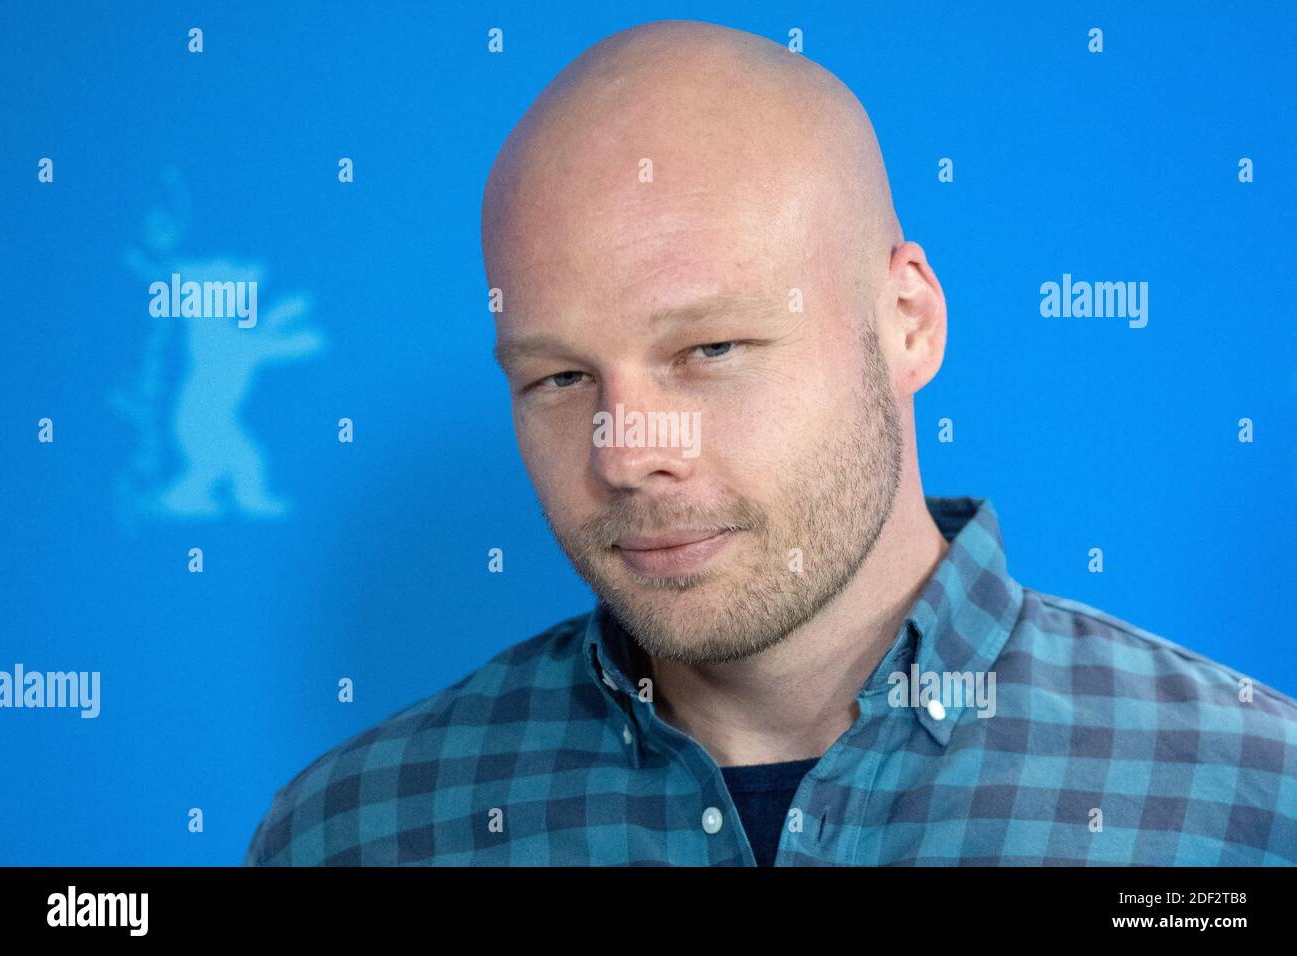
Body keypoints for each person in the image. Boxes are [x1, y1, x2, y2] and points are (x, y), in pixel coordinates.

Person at [245, 19, 1296, 866]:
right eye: (559, 377)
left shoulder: (1252, 803)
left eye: (708, 347)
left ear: (907, 323)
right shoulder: (353, 833)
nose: (625, 450)